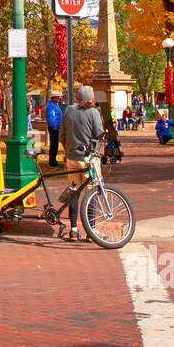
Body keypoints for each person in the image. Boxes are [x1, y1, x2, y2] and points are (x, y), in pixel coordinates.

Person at [58, 86, 105, 242]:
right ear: (91, 99)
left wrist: (68, 147)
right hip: (89, 159)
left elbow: (62, 135)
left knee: (74, 192)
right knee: (91, 193)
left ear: (77, 98)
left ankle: (73, 229)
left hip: (72, 157)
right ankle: (91, 230)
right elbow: (98, 133)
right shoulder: (93, 113)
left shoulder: (69, 111)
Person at [45, 91, 63, 168]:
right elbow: (51, 117)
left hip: (56, 127)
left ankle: (53, 161)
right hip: (54, 128)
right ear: (54, 98)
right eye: (58, 97)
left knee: (55, 145)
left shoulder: (54, 105)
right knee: (54, 145)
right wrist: (55, 127)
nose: (59, 99)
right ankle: (52, 162)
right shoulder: (51, 106)